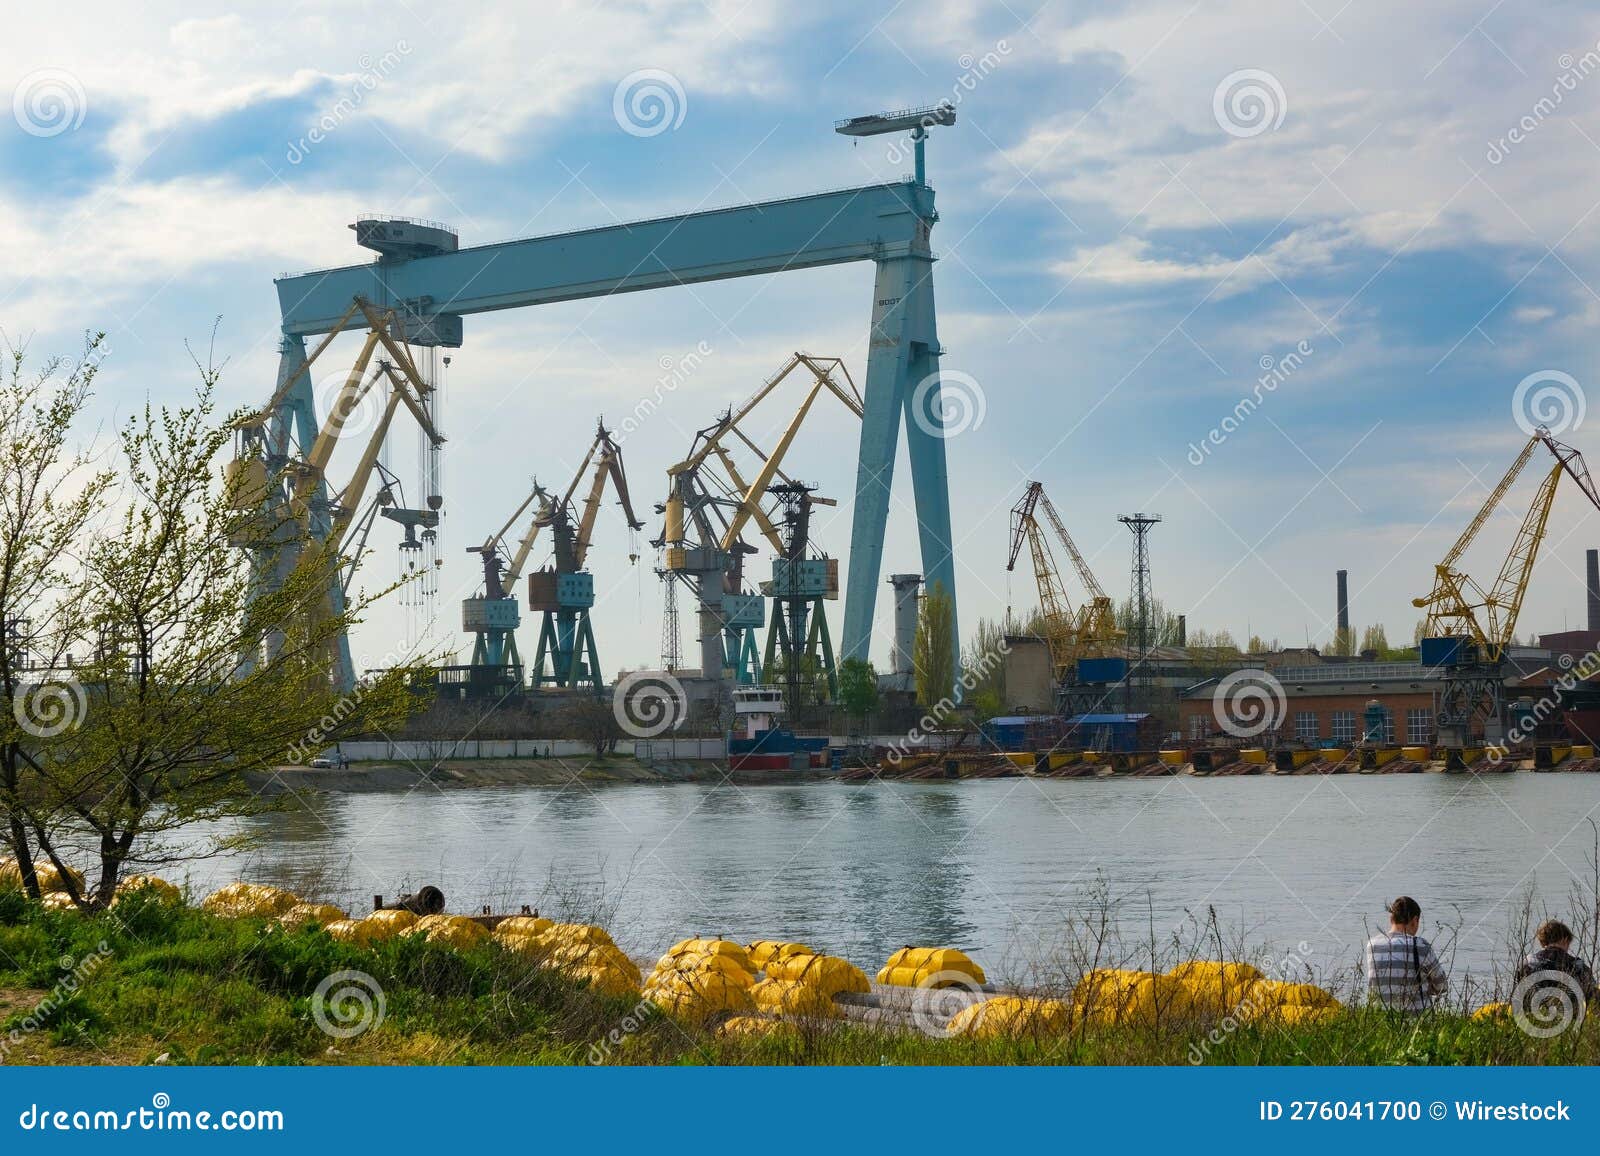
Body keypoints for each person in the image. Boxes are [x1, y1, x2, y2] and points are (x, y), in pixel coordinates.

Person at [1364, 895, 1448, 1012]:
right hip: (1416, 1022)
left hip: (1379, 1017)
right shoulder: (1421, 945)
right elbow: (1442, 987)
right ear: (1415, 921)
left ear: (1391, 919)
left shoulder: (1372, 945)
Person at [1513, 919, 1596, 999]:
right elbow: (1591, 992)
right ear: (1565, 939)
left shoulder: (1529, 962)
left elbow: (1518, 992)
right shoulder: (1577, 965)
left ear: (1542, 942)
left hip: (1533, 1009)